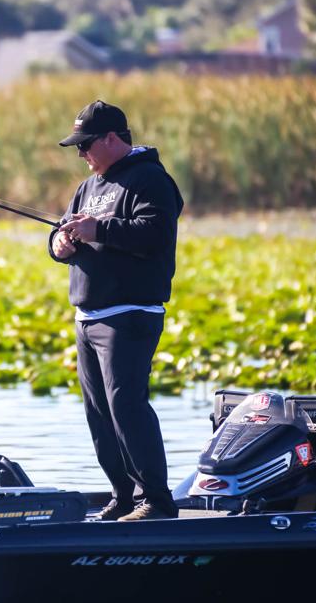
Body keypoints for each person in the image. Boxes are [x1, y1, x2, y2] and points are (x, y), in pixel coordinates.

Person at [48, 100, 184, 521]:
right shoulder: (89, 187)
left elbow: (154, 235)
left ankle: (156, 502)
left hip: (130, 313)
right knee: (99, 411)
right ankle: (123, 496)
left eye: (86, 145)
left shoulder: (151, 180)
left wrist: (97, 229)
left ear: (112, 138)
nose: (81, 153)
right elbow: (63, 233)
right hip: (88, 317)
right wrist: (60, 245)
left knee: (126, 403)